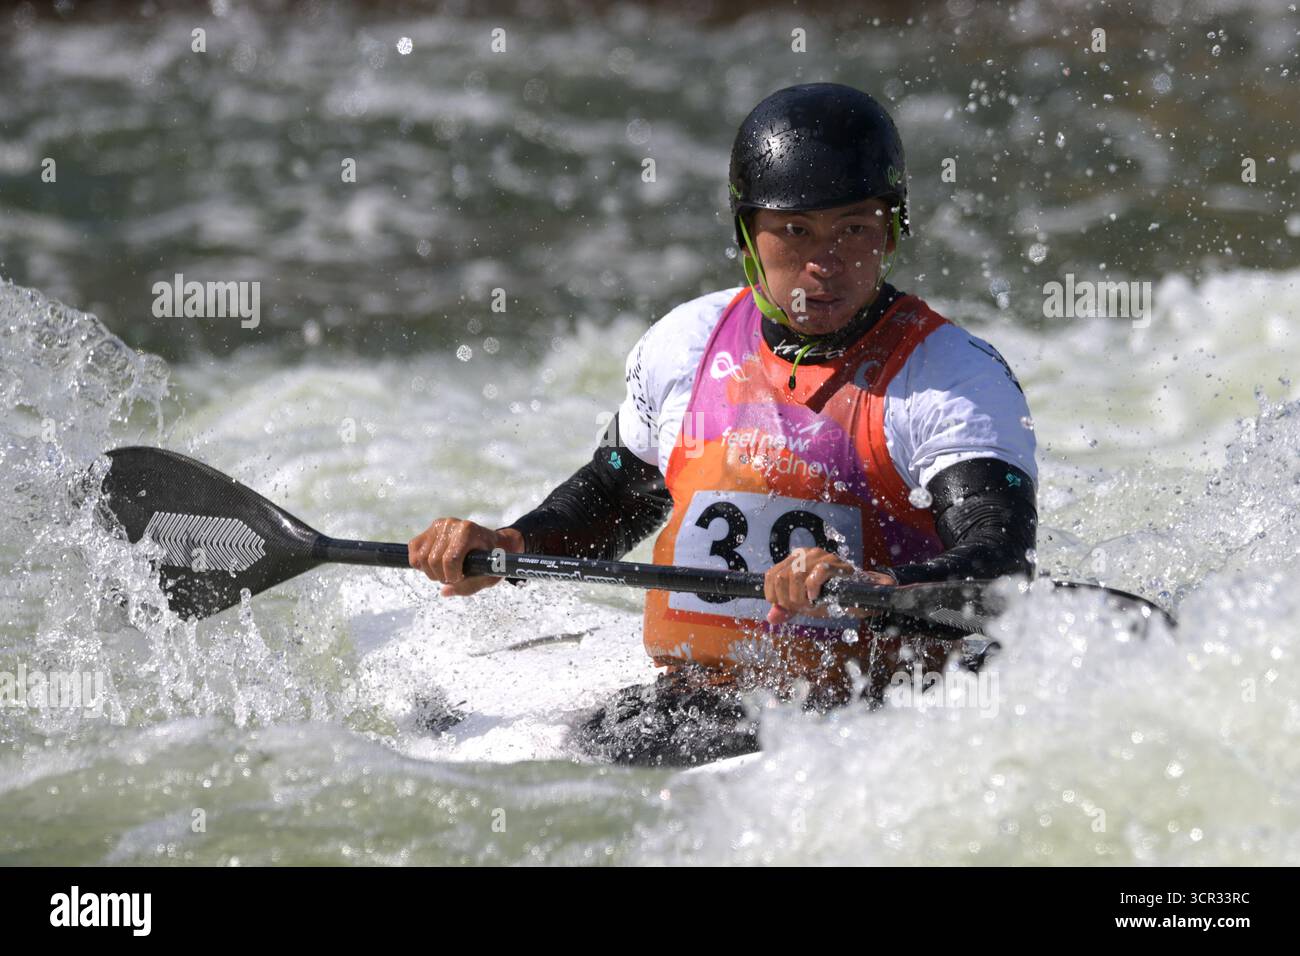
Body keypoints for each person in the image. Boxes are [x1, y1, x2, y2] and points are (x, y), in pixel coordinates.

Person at [409, 83, 1038, 765]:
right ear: (746, 233)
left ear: (890, 230)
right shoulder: (687, 344)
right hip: (697, 702)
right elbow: (616, 497)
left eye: (854, 228)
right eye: (795, 232)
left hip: (875, 721)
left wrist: (876, 588)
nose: (824, 264)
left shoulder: (950, 377)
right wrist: (508, 544)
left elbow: (1000, 555)